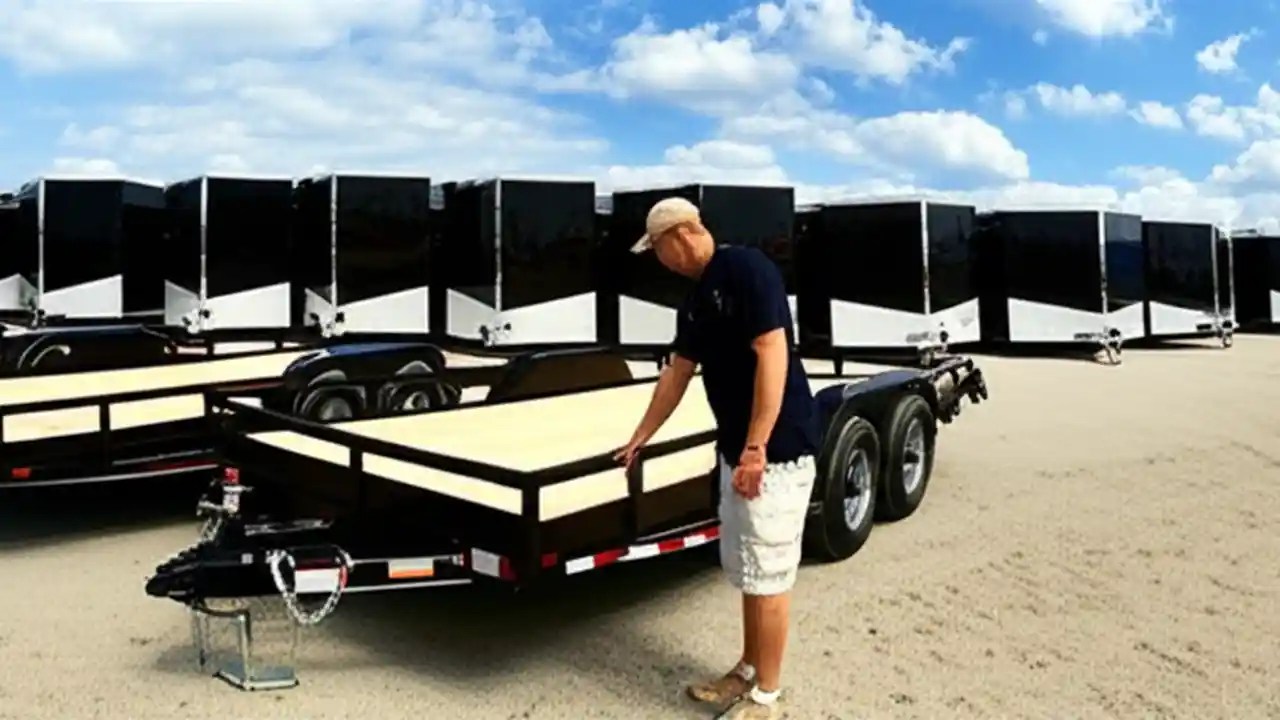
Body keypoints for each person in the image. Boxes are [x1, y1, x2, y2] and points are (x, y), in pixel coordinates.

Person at [614, 196, 819, 720]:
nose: (657, 260)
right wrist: (641, 435)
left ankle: (767, 699)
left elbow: (772, 352)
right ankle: (748, 670)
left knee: (770, 572)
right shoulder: (696, 299)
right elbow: (678, 372)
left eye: (656, 248)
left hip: (777, 449)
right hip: (737, 449)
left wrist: (757, 447)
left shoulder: (747, 269)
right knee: (750, 568)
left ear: (678, 235)